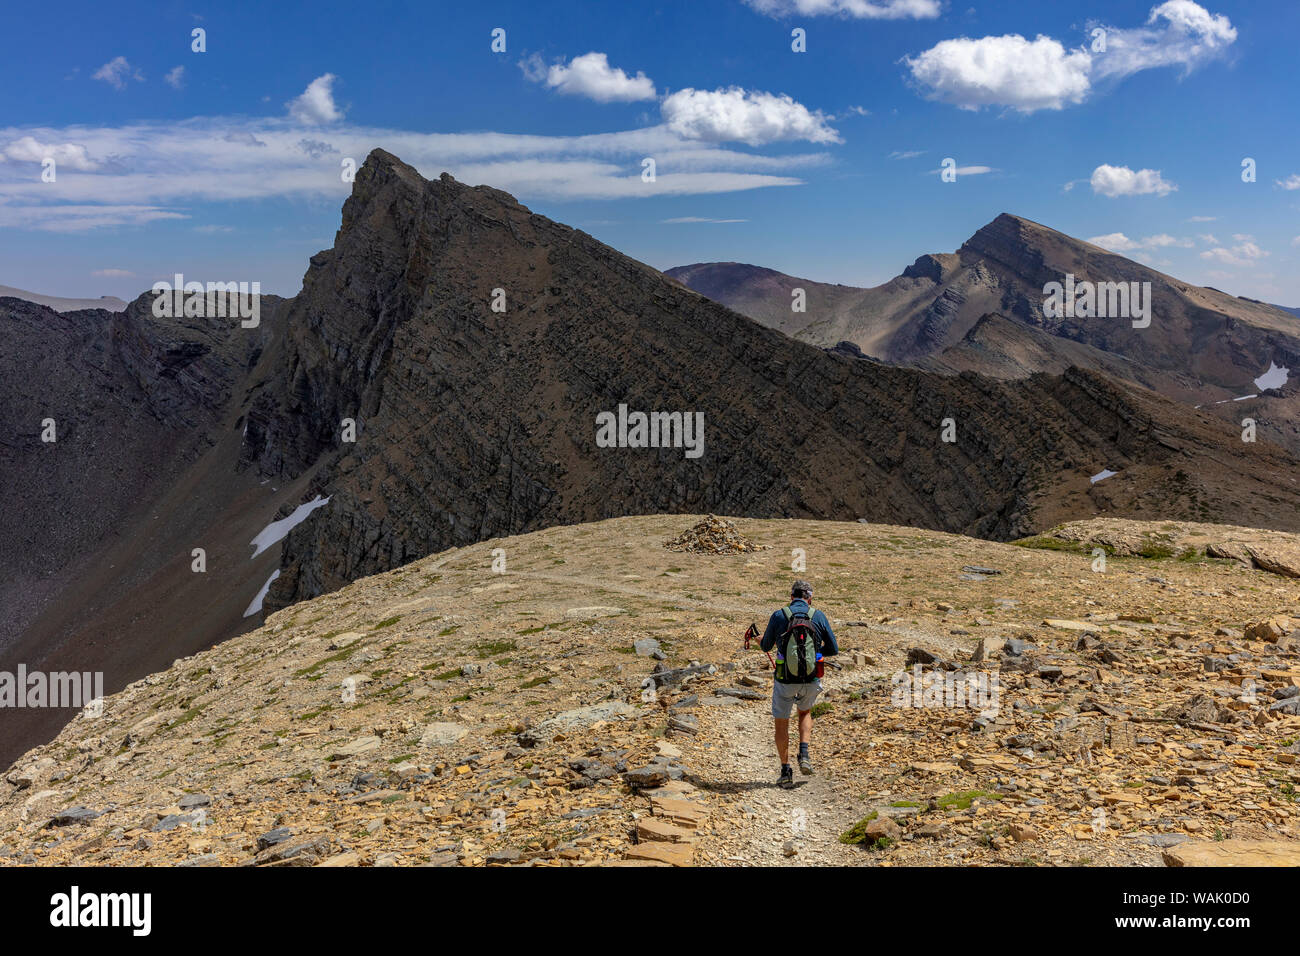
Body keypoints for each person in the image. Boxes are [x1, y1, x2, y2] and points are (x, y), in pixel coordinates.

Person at [760, 579, 838, 789]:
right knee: (804, 713)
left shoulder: (779, 615)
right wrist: (815, 654)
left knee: (782, 722)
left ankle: (785, 770)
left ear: (791, 596)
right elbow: (834, 648)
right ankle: (804, 753)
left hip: (785, 679)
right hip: (811, 678)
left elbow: (766, 645)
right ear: (809, 598)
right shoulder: (818, 615)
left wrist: (763, 640)